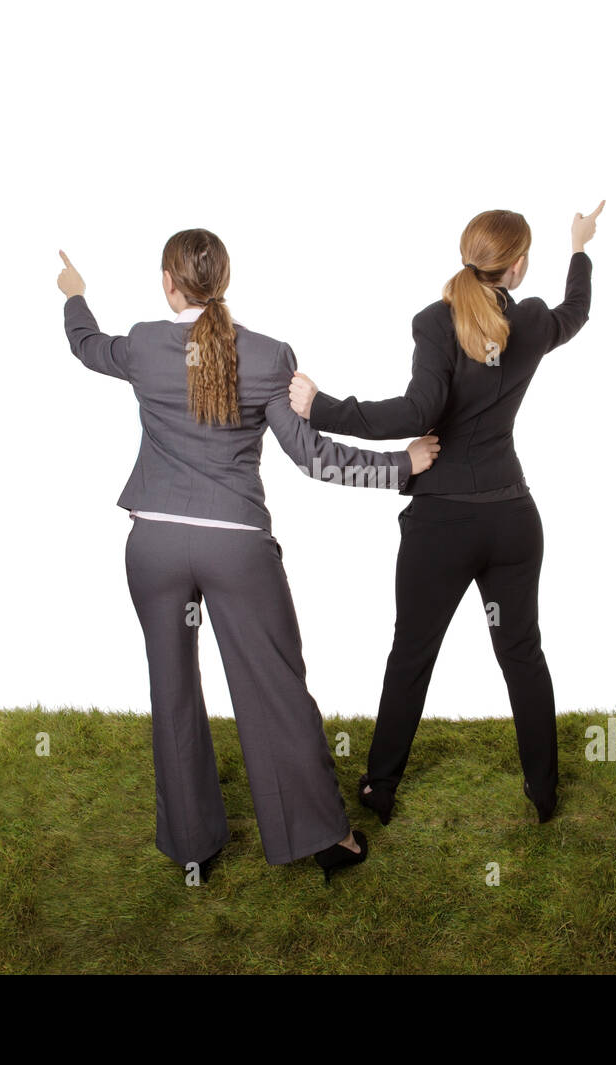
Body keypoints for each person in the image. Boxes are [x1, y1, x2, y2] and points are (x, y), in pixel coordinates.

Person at [56, 229, 441, 882]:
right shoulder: (266, 355)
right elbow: (316, 457)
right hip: (234, 545)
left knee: (172, 692)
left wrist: (75, 296)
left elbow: (87, 347)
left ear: (167, 282)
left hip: (152, 543)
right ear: (223, 279)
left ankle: (193, 852)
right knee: (276, 690)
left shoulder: (146, 343)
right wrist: (402, 465)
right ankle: (324, 838)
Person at [288, 204, 603, 825]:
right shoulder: (535, 321)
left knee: (412, 654)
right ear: (517, 267)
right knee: (522, 654)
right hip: (513, 519)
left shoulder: (437, 321)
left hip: (443, 526)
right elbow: (577, 311)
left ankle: (380, 787)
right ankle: (544, 794)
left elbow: (415, 411)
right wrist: (580, 247)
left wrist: (322, 407)